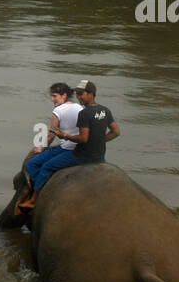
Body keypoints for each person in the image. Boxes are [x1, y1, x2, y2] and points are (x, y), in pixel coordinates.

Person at [18, 79, 120, 212]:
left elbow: (83, 139)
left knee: (46, 167)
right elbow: (116, 132)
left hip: (82, 155)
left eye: (81, 94)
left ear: (91, 94)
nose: (79, 97)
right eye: (77, 94)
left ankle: (33, 200)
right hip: (100, 156)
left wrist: (64, 136)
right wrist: (99, 141)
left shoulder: (84, 113)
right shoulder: (104, 110)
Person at [15, 82, 83, 210]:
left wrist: (41, 147)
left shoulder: (58, 110)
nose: (52, 99)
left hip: (68, 148)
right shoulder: (80, 107)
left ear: (64, 95)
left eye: (54, 96)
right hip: (81, 147)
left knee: (33, 164)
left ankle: (39, 193)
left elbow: (52, 135)